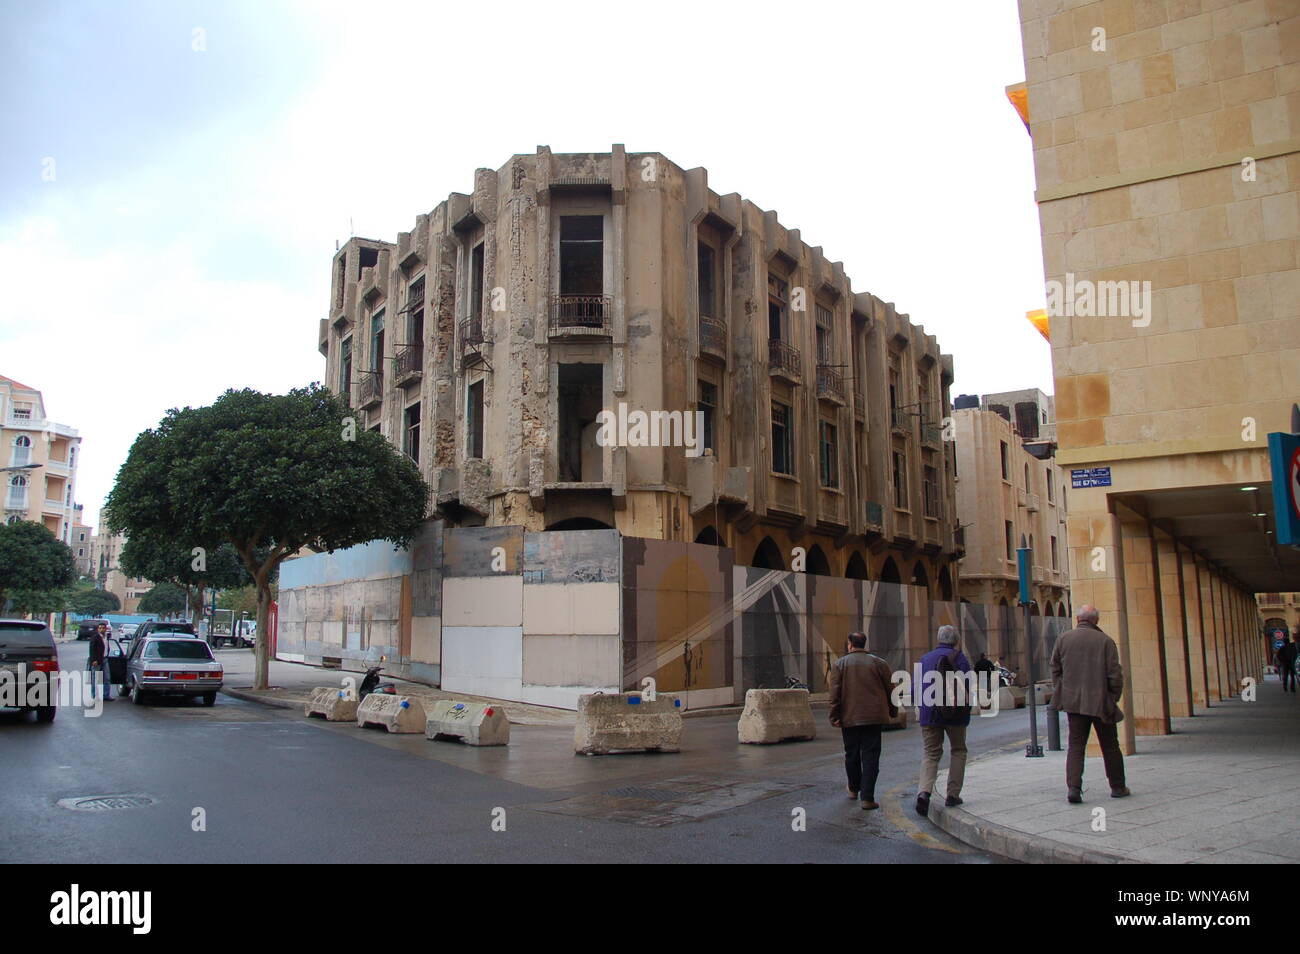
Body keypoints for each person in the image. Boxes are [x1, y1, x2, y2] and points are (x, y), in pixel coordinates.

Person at [1050, 605, 1127, 803]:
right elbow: (1115, 675)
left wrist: (1063, 690)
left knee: (1076, 745)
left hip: (1074, 702)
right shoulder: (1105, 642)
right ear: (1096, 621)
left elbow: (1055, 668)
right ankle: (1117, 786)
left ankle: (1074, 788)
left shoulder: (1063, 639)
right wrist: (1112, 697)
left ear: (1077, 619)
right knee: (1110, 745)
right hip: (1101, 702)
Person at [828, 631, 896, 811]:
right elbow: (891, 690)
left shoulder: (839, 664)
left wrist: (834, 715)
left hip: (849, 717)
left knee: (851, 754)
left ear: (850, 644)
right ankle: (867, 797)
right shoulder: (879, 663)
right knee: (871, 756)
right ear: (864, 644)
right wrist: (893, 711)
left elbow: (834, 693)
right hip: (873, 717)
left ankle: (853, 788)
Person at [915, 625, 971, 816]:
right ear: (956, 640)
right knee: (958, 750)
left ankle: (924, 792)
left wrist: (921, 708)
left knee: (931, 753)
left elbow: (916, 689)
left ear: (938, 639)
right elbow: (966, 687)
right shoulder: (961, 659)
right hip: (955, 714)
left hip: (930, 713)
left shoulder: (925, 659)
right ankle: (952, 794)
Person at [87, 622, 113, 701]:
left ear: (106, 629)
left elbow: (106, 647)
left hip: (105, 659)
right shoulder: (95, 637)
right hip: (97, 661)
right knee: (95, 678)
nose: (101, 629)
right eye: (100, 628)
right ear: (98, 629)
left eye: (103, 628)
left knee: (107, 678)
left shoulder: (106, 637)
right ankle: (94, 695)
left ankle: (106, 695)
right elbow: (92, 649)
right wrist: (93, 660)